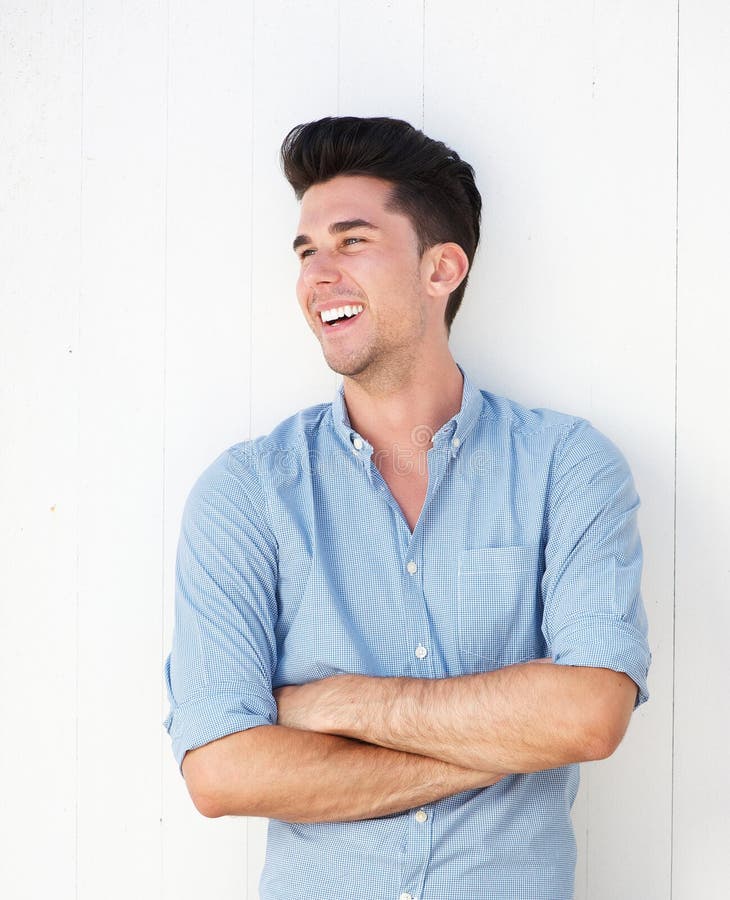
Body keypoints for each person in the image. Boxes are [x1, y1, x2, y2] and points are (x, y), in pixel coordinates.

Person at [163, 116, 651, 900]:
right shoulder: (248, 494)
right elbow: (222, 771)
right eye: (305, 251)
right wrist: (515, 734)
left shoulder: (566, 467)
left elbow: (591, 715)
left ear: (441, 269)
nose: (317, 275)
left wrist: (340, 703)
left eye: (352, 241)